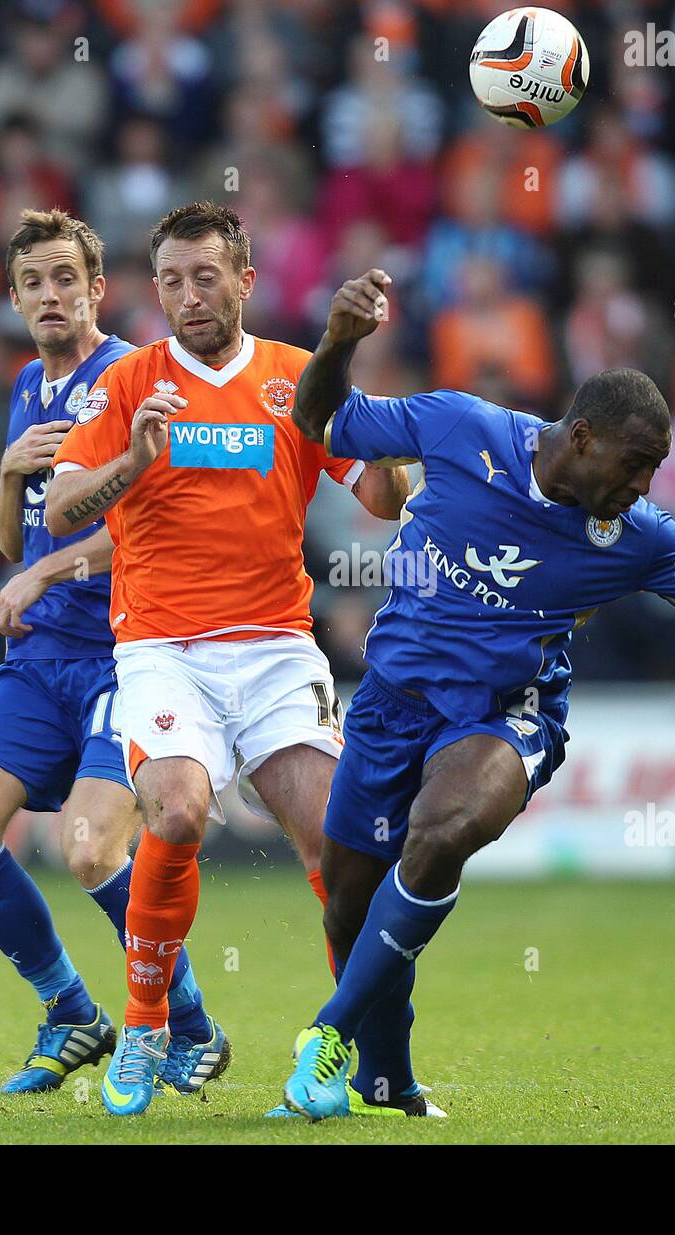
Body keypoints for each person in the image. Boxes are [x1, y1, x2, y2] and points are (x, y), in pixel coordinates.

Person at [276, 268, 675, 1120]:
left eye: (655, 469)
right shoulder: (461, 426)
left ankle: (327, 1033)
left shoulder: (636, 536)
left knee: (441, 832)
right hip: (393, 699)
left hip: (507, 712)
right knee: (349, 908)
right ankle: (387, 1082)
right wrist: (339, 340)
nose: (645, 485)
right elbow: (318, 419)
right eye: (638, 463)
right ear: (581, 437)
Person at [44, 202, 409, 1116]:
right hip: (164, 648)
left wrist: (350, 371)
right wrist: (134, 459)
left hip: (279, 650)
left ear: (245, 281)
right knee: (177, 809)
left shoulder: (294, 376)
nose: (186, 295)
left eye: (205, 276)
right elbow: (60, 510)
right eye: (169, 279)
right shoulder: (130, 382)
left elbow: (383, 498)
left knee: (341, 843)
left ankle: (348, 1054)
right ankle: (144, 1023)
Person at [0, 209, 222, 1096]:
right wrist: (9, 476)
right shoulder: (29, 385)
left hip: (121, 649)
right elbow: (7, 540)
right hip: (38, 660)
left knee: (89, 848)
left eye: (67, 278)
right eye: (34, 282)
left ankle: (191, 1021)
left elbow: (150, 522)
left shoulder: (137, 377)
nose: (51, 295)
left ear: (97, 288)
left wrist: (48, 568)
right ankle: (69, 1008)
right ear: (16, 297)